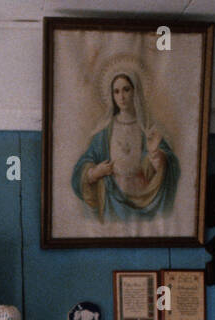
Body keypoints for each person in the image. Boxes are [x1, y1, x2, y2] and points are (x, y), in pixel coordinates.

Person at [71, 71, 179, 222]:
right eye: (116, 91)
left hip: (145, 200)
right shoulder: (103, 133)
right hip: (112, 201)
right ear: (112, 96)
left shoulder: (148, 130)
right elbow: (81, 167)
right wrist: (95, 172)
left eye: (126, 89)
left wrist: (155, 154)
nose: (121, 96)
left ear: (136, 91)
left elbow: (171, 167)